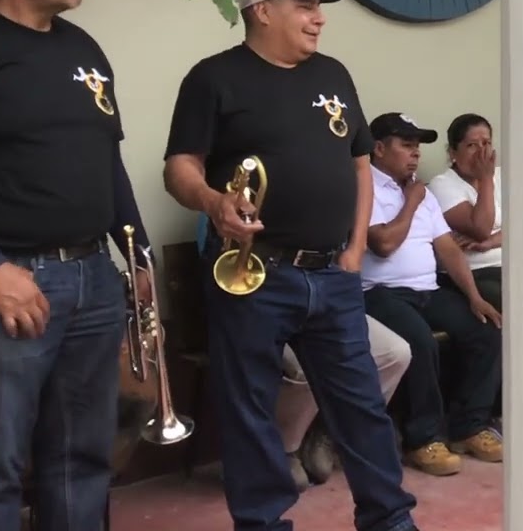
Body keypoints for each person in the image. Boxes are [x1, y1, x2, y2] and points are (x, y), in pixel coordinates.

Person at [162, 0, 417, 531]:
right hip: (254, 273)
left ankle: (390, 521)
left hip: (332, 275)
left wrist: (353, 252)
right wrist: (213, 203)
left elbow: (358, 168)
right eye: (304, 6)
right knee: (248, 410)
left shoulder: (333, 75)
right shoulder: (214, 78)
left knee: (360, 407)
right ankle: (262, 523)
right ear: (261, 11)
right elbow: (180, 166)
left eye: (318, 7)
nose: (318, 18)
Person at [0, 0, 154, 531]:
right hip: (10, 284)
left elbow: (107, 161)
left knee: (83, 455)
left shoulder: (84, 48)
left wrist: (139, 255)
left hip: (95, 279)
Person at [193, 210, 413, 489]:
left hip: (325, 292)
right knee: (301, 367)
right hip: (259, 302)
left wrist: (352, 252)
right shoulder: (229, 199)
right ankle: (286, 448)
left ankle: (328, 433)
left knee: (396, 352)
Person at [361, 112, 504, 477]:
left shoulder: (416, 189)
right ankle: (421, 439)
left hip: (428, 290)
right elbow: (384, 244)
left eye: (418, 147)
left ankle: (468, 427)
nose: (415, 154)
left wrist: (474, 297)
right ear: (378, 149)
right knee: (420, 344)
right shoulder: (366, 186)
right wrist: (411, 200)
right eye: (406, 146)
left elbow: (448, 248)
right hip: (380, 293)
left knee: (485, 328)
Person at [427, 113, 503, 312]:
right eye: (472, 146)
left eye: (486, 143)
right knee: (516, 301)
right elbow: (480, 229)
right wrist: (486, 179)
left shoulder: (504, 176)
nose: (481, 153)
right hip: (477, 273)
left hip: (511, 265)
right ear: (453, 152)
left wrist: (492, 242)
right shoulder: (442, 184)